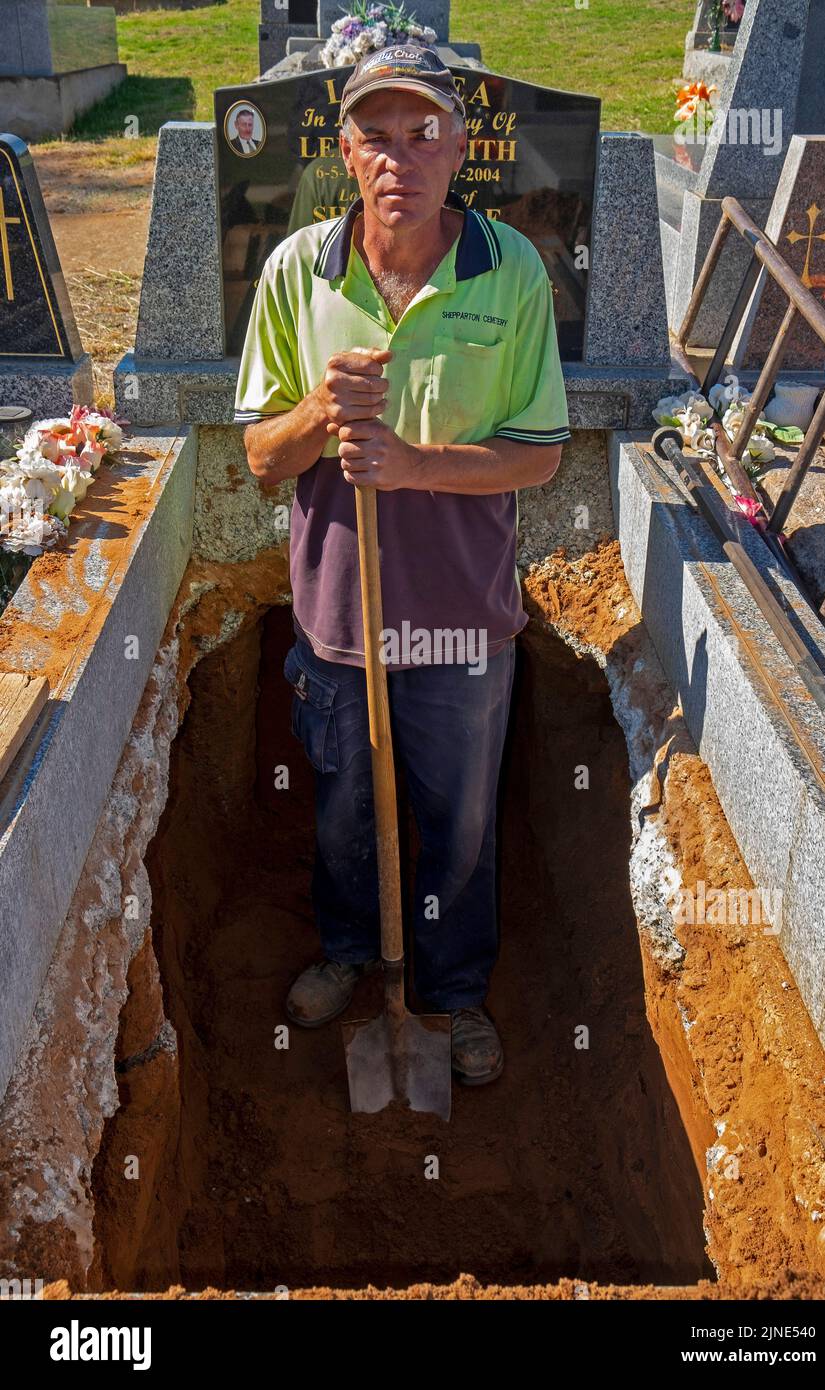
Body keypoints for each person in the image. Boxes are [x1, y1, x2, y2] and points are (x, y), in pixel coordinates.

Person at [234, 43, 570, 1086]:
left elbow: (542, 452)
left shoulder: (506, 269)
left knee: (458, 824)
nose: (398, 157)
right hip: (337, 612)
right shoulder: (300, 270)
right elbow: (259, 457)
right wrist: (319, 412)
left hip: (463, 614)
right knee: (341, 806)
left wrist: (412, 461)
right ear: (344, 151)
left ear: (459, 147)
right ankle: (353, 954)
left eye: (421, 133)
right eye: (374, 136)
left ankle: (452, 990)